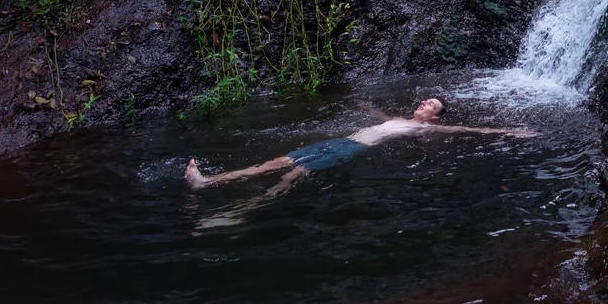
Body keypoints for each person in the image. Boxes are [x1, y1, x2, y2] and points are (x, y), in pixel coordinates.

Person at [184, 98, 535, 199]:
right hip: (342, 142)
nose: (426, 103)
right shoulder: (399, 118)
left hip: (348, 152)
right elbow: (385, 121)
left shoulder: (426, 128)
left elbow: (469, 128)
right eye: (427, 100)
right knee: (276, 161)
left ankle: (248, 208)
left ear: (432, 118)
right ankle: (208, 182)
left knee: (293, 174)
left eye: (432, 105)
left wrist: (507, 131)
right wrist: (369, 110)